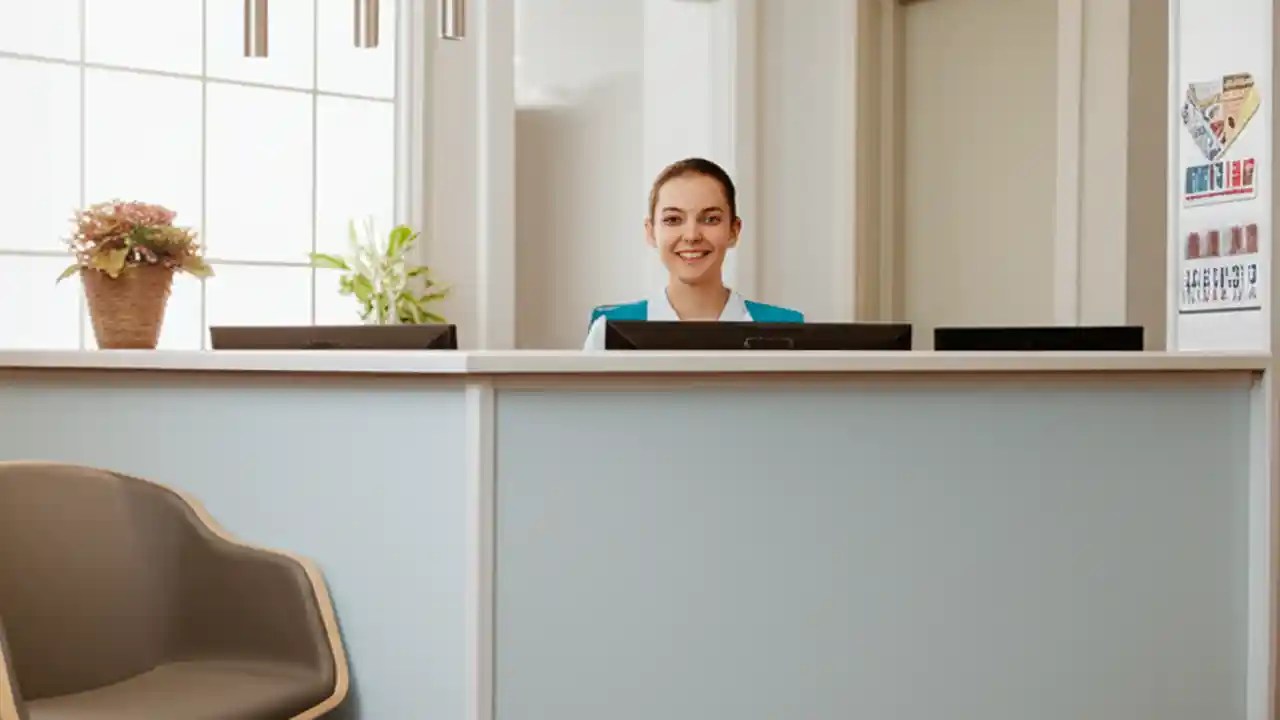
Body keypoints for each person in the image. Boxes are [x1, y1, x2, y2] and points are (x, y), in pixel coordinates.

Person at [583, 157, 803, 350]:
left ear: (734, 231)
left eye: (710, 219)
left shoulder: (787, 330)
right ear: (651, 232)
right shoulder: (609, 331)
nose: (691, 235)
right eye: (673, 220)